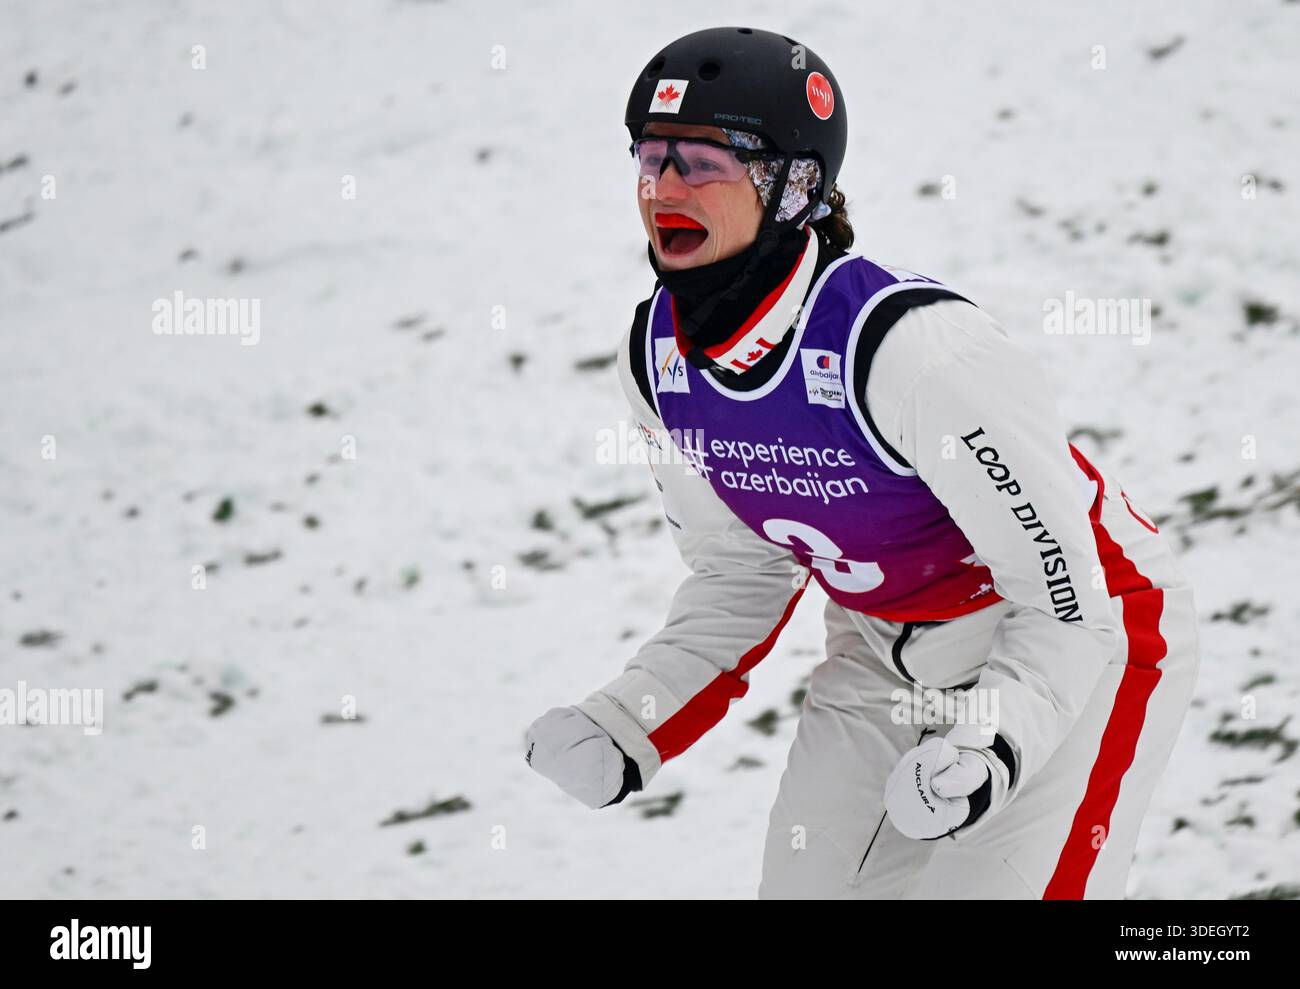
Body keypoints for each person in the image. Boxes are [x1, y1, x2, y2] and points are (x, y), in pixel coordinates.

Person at [524, 25, 1200, 899]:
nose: (662, 188)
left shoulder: (911, 350)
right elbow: (742, 575)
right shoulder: (658, 360)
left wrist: (989, 744)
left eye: (702, 162)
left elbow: (1068, 602)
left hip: (1082, 633)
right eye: (650, 158)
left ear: (794, 182)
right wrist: (627, 720)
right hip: (883, 652)